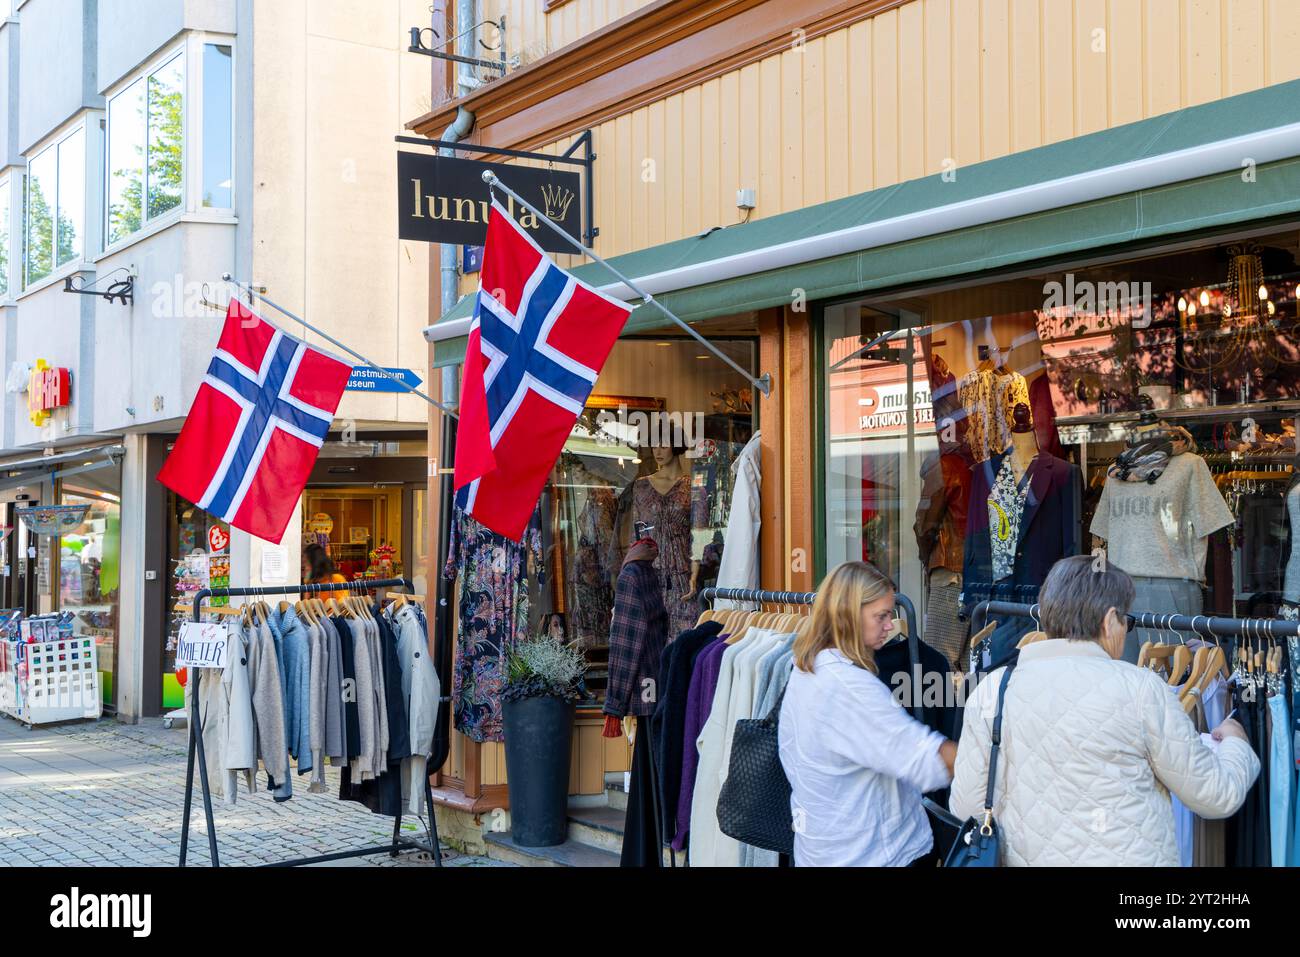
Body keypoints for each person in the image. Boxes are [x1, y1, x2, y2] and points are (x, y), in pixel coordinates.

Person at [950, 555, 1260, 866]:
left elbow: (966, 808)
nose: (1126, 630)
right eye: (1128, 620)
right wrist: (1236, 742)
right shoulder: (1140, 689)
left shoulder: (994, 690)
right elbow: (1215, 794)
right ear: (1110, 620)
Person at [778, 560, 957, 866]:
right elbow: (922, 758)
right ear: (848, 615)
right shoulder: (849, 688)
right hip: (874, 854)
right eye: (882, 616)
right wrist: (986, 759)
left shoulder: (807, 667)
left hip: (826, 850)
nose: (891, 626)